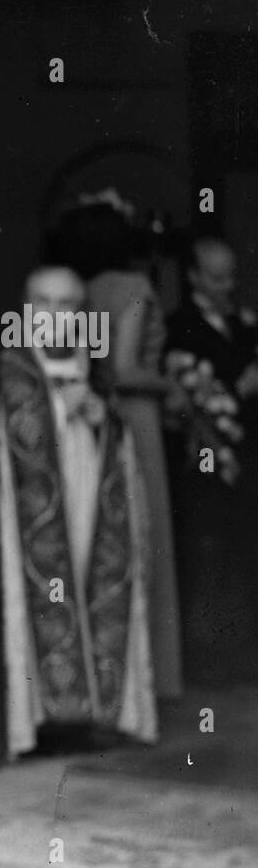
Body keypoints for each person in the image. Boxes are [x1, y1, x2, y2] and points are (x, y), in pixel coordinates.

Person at [0, 265, 156, 755]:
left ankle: (96, 711)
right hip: (33, 510)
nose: (54, 314)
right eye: (43, 301)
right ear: (25, 307)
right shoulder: (11, 366)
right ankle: (39, 719)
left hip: (89, 495)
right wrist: (61, 409)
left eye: (67, 303)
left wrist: (99, 416)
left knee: (93, 584)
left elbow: (118, 433)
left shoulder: (97, 363)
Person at [44, 197, 183, 700]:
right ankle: (151, 680)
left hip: (92, 414)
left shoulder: (80, 291)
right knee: (145, 539)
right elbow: (125, 367)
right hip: (134, 416)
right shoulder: (135, 288)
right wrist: (172, 386)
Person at [164, 235, 258, 683]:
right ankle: (208, 662)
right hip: (205, 460)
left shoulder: (245, 325)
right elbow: (189, 402)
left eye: (231, 275)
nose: (228, 285)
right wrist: (242, 387)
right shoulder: (180, 325)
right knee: (208, 554)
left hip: (249, 458)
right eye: (217, 277)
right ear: (195, 277)